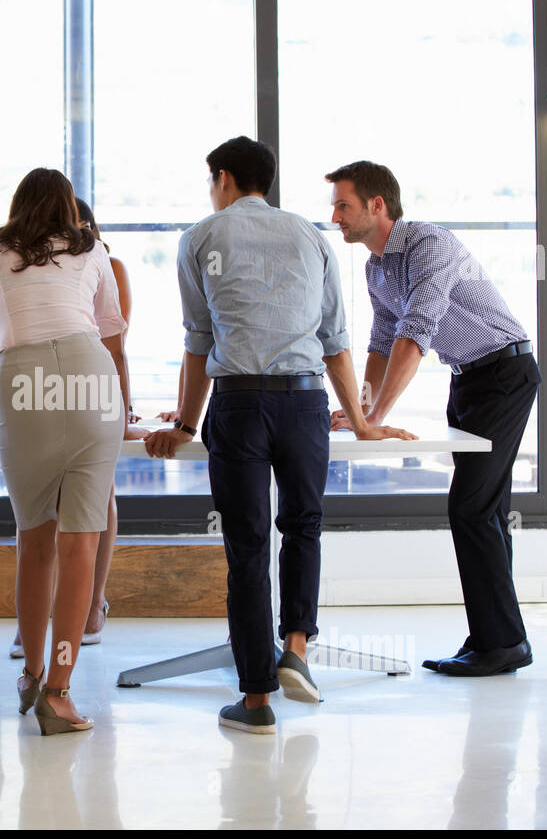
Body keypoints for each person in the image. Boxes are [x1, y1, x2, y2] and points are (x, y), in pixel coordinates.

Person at [146, 136, 414, 734]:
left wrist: (187, 424)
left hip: (239, 404)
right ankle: (296, 647)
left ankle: (257, 702)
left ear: (223, 179)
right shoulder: (311, 237)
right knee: (304, 526)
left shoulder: (201, 237)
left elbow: (199, 340)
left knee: (247, 551)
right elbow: (336, 343)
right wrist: (363, 422)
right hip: (305, 403)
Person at [0, 168, 145, 735]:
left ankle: (30, 677)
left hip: (22, 381)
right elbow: (112, 339)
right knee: (80, 544)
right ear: (67, 208)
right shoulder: (93, 250)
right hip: (91, 379)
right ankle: (59, 692)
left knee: (34, 542)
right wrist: (124, 412)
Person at [325, 160, 540, 677]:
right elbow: (380, 342)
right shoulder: (376, 266)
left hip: (505, 375)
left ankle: (504, 642)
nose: (334, 216)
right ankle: (494, 638)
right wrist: (360, 412)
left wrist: (374, 416)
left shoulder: (428, 245)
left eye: (343, 204)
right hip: (468, 377)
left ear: (377, 206)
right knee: (485, 513)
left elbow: (414, 334)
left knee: (470, 509)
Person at [3, 197, 131, 657]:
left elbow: (115, 342)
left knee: (95, 499)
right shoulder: (16, 260)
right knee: (40, 510)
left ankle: (92, 604)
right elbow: (13, 333)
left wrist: (124, 409)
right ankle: (41, 639)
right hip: (49, 385)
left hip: (87, 382)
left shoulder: (102, 261)